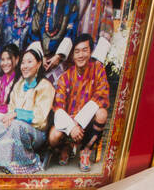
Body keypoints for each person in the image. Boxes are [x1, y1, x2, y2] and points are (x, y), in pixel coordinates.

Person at [47, 33, 112, 170]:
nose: (80, 55)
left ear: (91, 51)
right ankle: (67, 147)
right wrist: (72, 127)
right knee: (53, 137)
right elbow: (58, 107)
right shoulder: (65, 76)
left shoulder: (98, 70)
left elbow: (102, 95)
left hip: (87, 123)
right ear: (72, 55)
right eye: (77, 51)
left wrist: (79, 121)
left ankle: (86, 150)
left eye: (84, 50)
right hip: (70, 125)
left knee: (102, 113)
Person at [0, 42, 55, 173]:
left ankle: (28, 161)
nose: (24, 66)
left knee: (16, 126)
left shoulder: (45, 86)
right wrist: (10, 117)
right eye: (23, 63)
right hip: (17, 125)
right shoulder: (19, 84)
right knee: (0, 125)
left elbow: (40, 119)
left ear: (39, 64)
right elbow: (11, 108)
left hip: (37, 132)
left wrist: (16, 115)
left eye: (29, 62)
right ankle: (4, 161)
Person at [30, 0, 79, 77]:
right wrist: (40, 57)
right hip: (42, 60)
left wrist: (59, 56)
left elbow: (71, 31)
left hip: (62, 60)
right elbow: (34, 31)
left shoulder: (71, 2)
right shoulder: (42, 4)